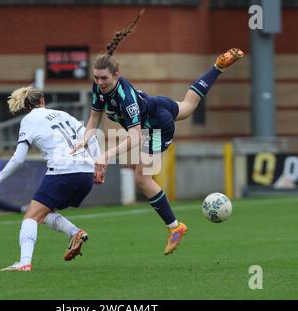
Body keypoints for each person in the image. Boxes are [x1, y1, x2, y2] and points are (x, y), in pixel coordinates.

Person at [72, 10, 244, 256]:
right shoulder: (99, 87)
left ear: (117, 76)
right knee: (187, 107)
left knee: (142, 178)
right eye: (96, 78)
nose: (99, 83)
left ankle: (176, 227)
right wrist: (84, 140)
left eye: (104, 79)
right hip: (156, 104)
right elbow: (93, 120)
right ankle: (217, 67)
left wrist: (105, 156)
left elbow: (134, 137)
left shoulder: (126, 99)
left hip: (156, 126)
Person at [0, 87, 101, 271]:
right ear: (42, 100)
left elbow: (18, 158)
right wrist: (99, 164)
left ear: (26, 107)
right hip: (86, 174)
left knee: (31, 216)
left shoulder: (29, 120)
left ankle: (24, 262)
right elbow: (91, 137)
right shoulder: (63, 114)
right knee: (43, 213)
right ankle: (75, 233)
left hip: (63, 172)